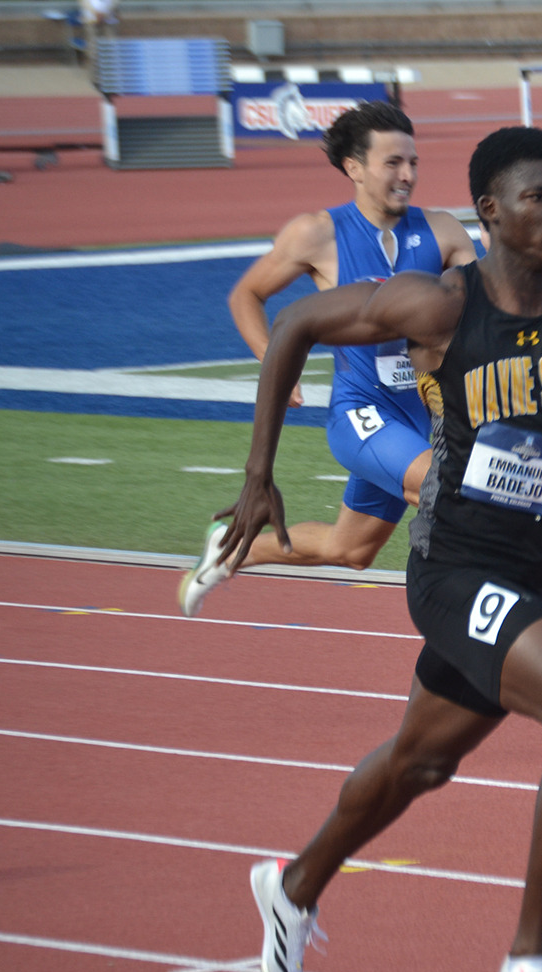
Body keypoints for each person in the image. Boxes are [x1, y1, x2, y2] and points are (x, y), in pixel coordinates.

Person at [221, 126, 542, 972]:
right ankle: (526, 966)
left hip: (529, 576)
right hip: (451, 569)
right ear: (490, 212)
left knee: (418, 764)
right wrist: (259, 474)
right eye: (539, 199)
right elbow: (293, 327)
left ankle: (295, 883)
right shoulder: (439, 306)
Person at [177, 100, 479, 616]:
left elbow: (486, 311)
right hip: (362, 414)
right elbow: (246, 295)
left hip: (420, 417)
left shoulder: (444, 231)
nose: (408, 175)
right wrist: (274, 360)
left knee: (352, 550)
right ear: (354, 168)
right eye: (393, 163)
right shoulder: (316, 233)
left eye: (414, 162)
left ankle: (231, 549)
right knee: (454, 495)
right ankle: (478, 629)